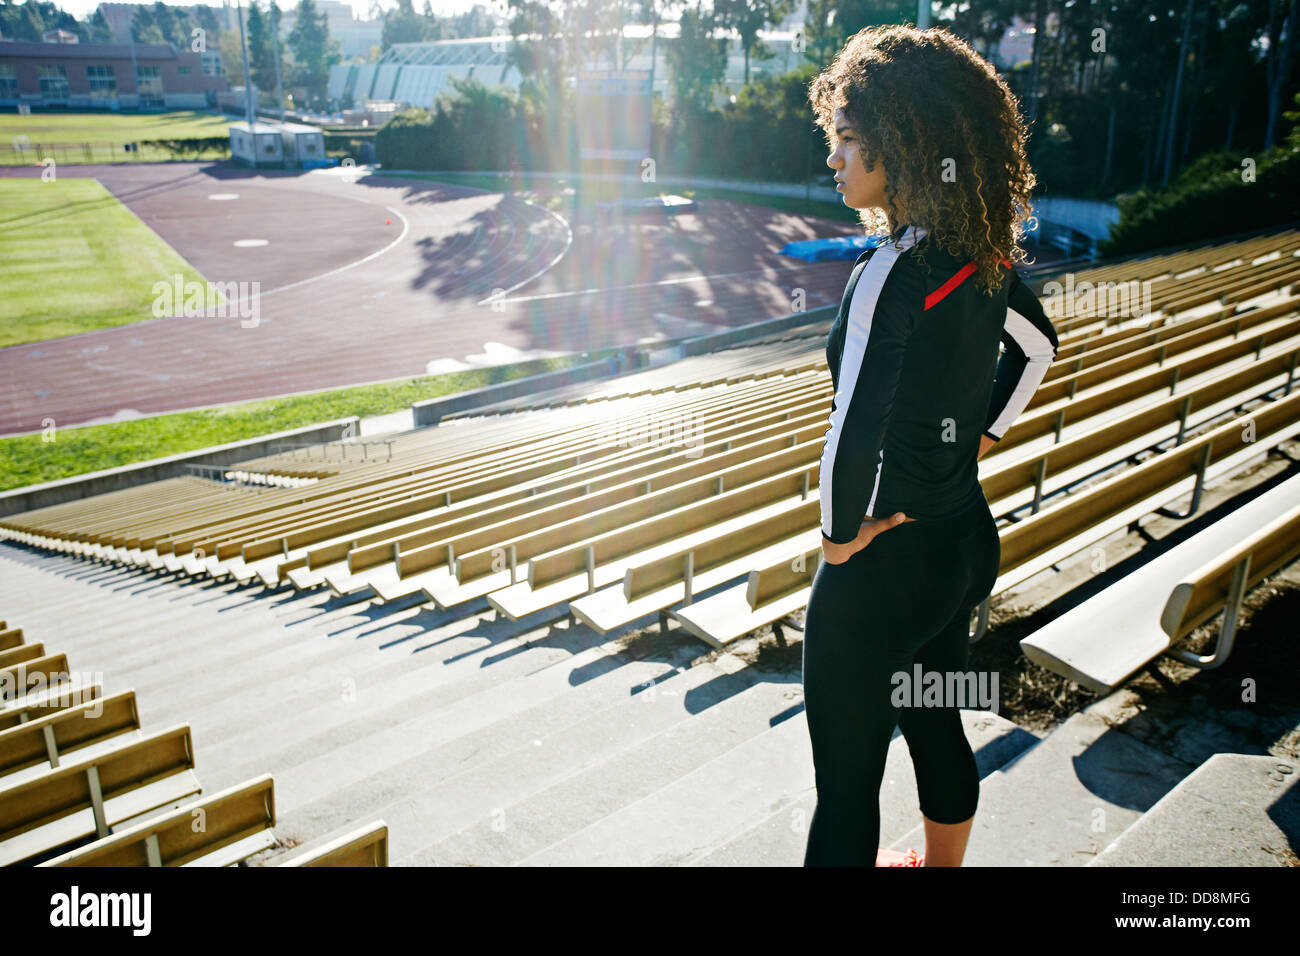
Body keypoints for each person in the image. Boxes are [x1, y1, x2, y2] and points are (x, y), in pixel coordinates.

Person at [801, 25, 1060, 867]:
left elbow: (852, 422)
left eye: (849, 138)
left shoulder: (891, 269)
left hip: (884, 564)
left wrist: (839, 538)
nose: (834, 158)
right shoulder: (981, 254)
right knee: (935, 717)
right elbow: (1039, 349)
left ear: (904, 142)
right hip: (961, 545)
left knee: (846, 789)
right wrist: (983, 433)